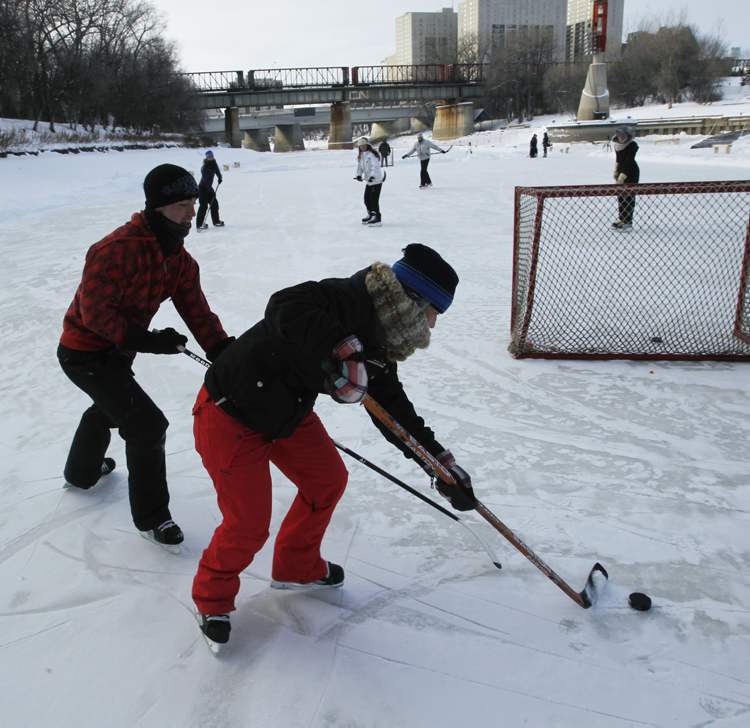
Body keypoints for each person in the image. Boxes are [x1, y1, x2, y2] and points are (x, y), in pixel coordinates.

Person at [191, 243, 475, 647]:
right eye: (433, 313)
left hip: (286, 412)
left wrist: (439, 465)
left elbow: (394, 411)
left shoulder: (379, 338)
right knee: (248, 523)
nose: (432, 324)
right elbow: (284, 306)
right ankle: (212, 598)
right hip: (230, 413)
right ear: (413, 300)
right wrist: (340, 349)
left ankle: (297, 565)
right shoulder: (342, 298)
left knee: (327, 480)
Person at [58, 163, 234, 548]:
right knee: (146, 425)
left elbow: (197, 311)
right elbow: (95, 314)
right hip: (83, 353)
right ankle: (155, 517)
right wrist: (149, 340)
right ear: (158, 207)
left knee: (110, 407)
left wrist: (223, 350)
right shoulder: (114, 250)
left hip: (118, 353)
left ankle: (81, 472)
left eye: (194, 203)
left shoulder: (179, 260)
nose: (192, 213)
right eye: (183, 205)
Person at [611, 127, 640, 230]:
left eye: (623, 136)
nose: (621, 138)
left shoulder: (632, 145)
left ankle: (628, 221)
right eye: (619, 136)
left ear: (628, 136)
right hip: (621, 171)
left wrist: (623, 176)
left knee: (629, 196)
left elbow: (629, 160)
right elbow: (618, 159)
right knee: (620, 196)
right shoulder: (617, 146)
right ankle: (621, 218)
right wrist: (616, 170)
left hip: (631, 172)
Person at [354, 136, 385, 225]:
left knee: (374, 200)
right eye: (361, 146)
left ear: (367, 145)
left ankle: (377, 218)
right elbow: (359, 167)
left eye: (364, 145)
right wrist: (359, 175)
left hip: (376, 180)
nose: (362, 147)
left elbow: (375, 167)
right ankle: (371, 215)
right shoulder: (361, 156)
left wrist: (372, 176)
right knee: (366, 199)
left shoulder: (372, 154)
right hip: (369, 181)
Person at [196, 150, 224, 230]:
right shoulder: (204, 167)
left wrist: (220, 178)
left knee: (214, 204)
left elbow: (217, 171)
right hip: (202, 188)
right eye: (209, 157)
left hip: (208, 188)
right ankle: (199, 224)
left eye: (211, 156)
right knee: (203, 206)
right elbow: (205, 181)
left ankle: (216, 222)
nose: (210, 158)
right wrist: (211, 191)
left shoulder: (214, 164)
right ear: (206, 158)